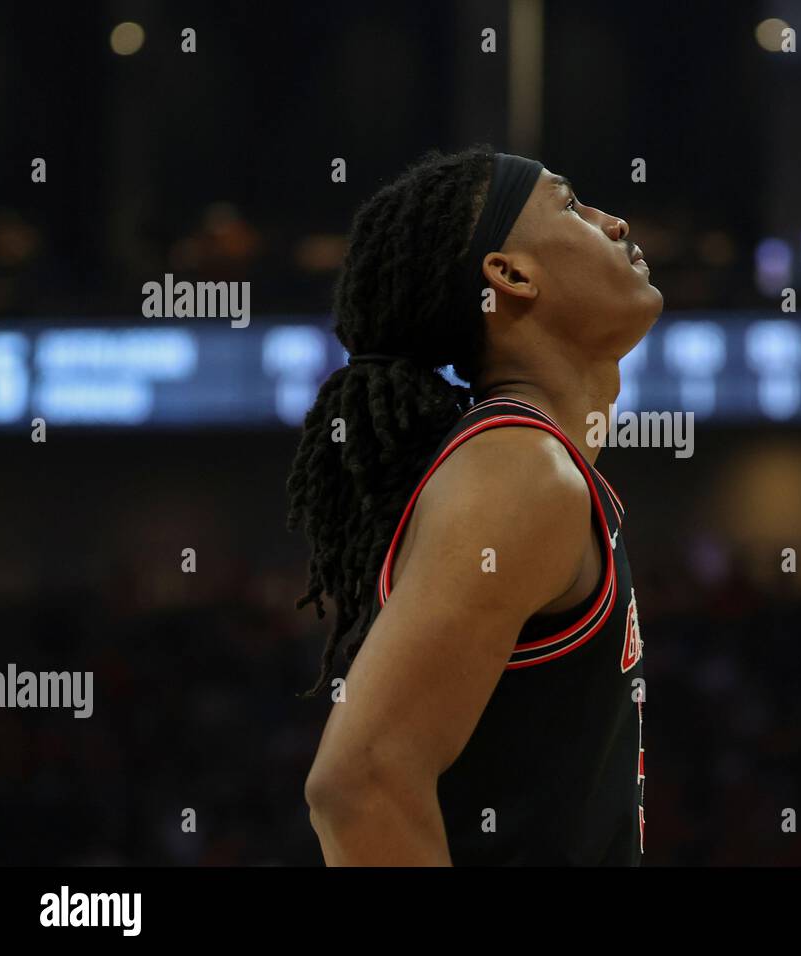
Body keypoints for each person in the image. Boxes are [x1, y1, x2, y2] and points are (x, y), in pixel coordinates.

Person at [287, 146, 662, 865]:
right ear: (511, 274)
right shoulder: (518, 471)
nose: (613, 223)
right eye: (571, 205)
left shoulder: (534, 463)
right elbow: (357, 784)